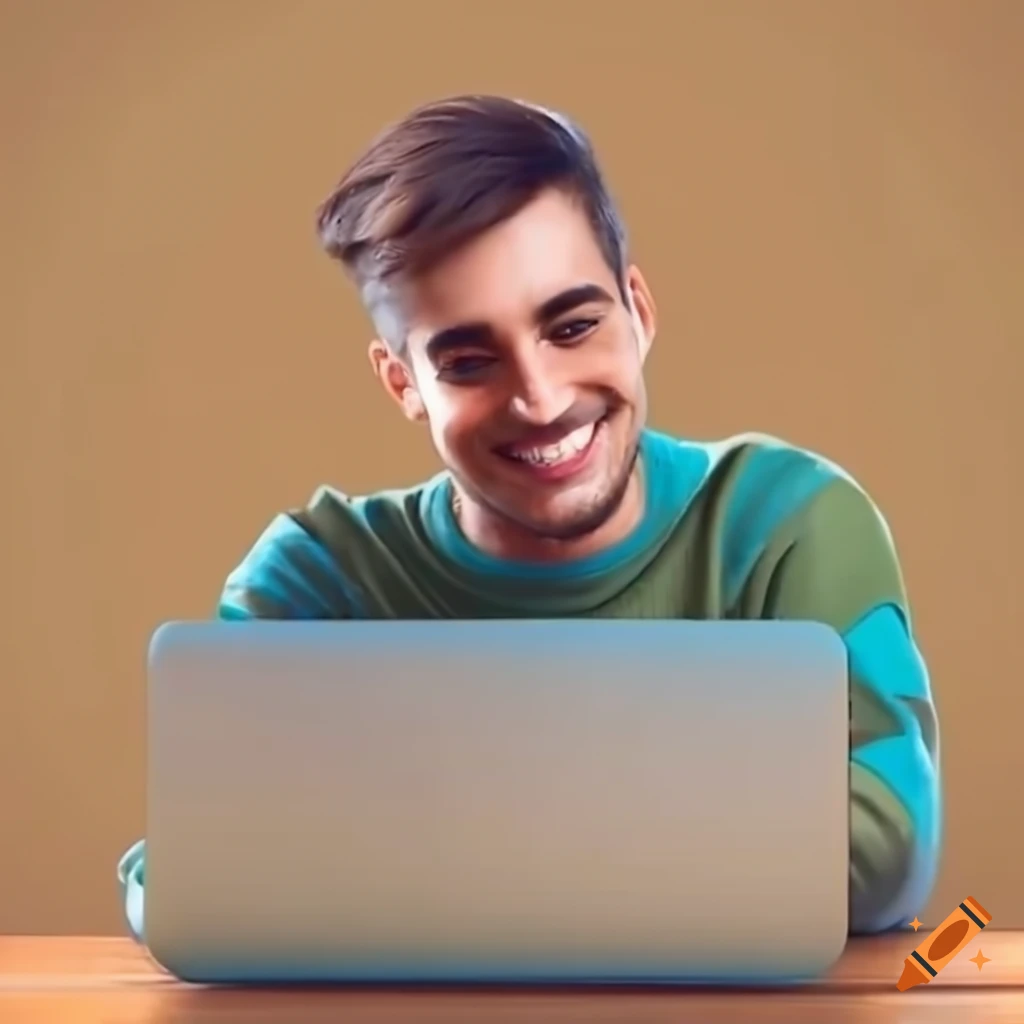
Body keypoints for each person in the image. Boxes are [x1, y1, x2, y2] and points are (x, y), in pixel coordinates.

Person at [119, 95, 940, 941]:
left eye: (573, 325)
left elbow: (882, 855)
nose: (541, 400)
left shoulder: (786, 523)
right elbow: (187, 876)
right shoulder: (316, 577)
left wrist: (390, 832)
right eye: (469, 362)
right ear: (403, 383)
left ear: (639, 309)